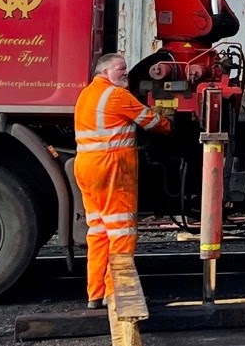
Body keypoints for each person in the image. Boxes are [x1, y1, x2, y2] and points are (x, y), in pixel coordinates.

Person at [71, 53, 171, 308]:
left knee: (98, 231)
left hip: (86, 166)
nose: (125, 72)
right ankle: (116, 293)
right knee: (121, 232)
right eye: (120, 68)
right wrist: (167, 118)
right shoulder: (117, 96)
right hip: (111, 168)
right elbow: (155, 123)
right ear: (104, 72)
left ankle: (96, 293)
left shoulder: (86, 94)